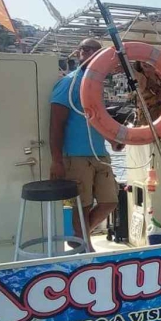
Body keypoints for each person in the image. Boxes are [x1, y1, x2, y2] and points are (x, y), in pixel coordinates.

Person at [49, 38, 122, 241]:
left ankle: (80, 239)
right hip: (76, 155)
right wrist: (57, 160)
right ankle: (85, 247)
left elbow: (97, 118)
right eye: (85, 50)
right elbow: (56, 123)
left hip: (99, 152)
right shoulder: (68, 83)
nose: (90, 54)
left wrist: (112, 139)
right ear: (78, 53)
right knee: (83, 205)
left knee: (110, 201)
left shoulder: (95, 86)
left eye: (95, 51)